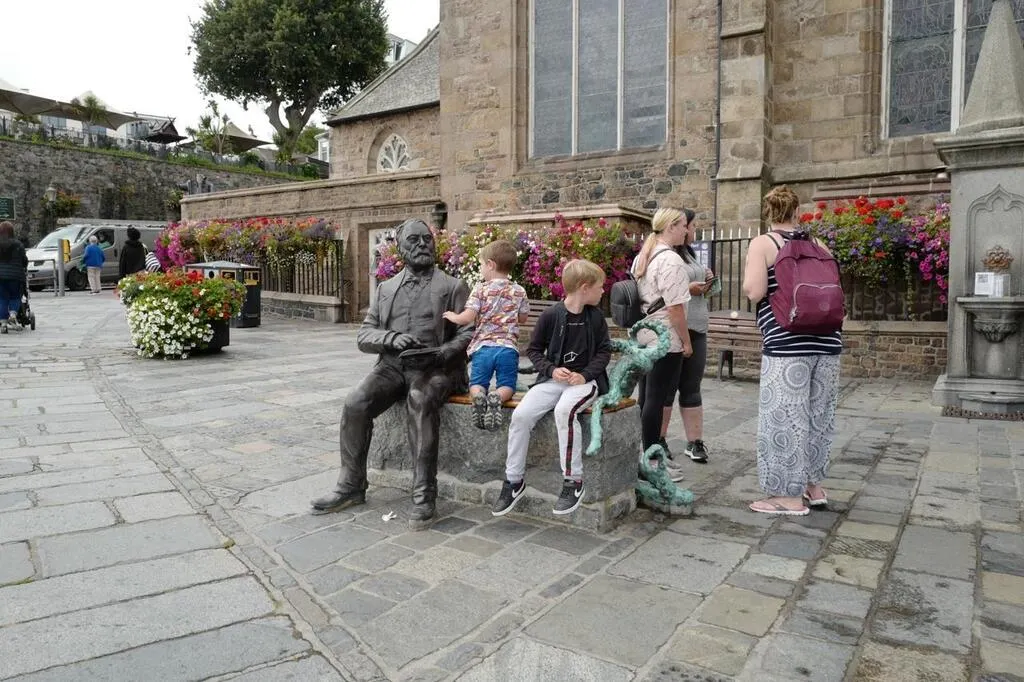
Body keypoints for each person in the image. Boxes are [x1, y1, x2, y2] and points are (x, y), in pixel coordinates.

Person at [311, 219, 474, 524]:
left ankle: (424, 494)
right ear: (399, 248)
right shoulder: (386, 288)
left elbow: (469, 331)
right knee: (355, 402)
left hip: (436, 367)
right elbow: (364, 335)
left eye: (427, 238)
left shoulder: (452, 286)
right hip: (393, 366)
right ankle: (351, 485)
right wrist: (391, 338)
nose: (423, 244)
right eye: (414, 240)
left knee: (420, 398)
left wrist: (444, 352)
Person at [742, 185, 843, 516]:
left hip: (787, 344)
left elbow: (755, 292)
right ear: (797, 212)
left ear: (768, 212)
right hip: (827, 342)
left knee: (785, 418)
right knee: (818, 417)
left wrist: (751, 284)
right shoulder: (818, 244)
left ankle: (787, 497)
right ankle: (813, 487)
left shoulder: (764, 244)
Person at [492, 259, 611, 517]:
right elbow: (534, 350)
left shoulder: (596, 318)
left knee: (564, 411)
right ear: (584, 287)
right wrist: (551, 370)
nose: (603, 291)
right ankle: (514, 480)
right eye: (600, 287)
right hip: (553, 380)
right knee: (521, 415)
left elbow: (604, 352)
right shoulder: (551, 316)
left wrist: (585, 374)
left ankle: (573, 480)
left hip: (586, 383)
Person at [443, 239, 530, 430]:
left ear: (490, 265)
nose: (481, 268)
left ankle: (479, 397)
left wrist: (454, 316)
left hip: (483, 348)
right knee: (507, 384)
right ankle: (497, 397)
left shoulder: (480, 289)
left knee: (477, 383)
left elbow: (469, 316)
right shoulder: (519, 290)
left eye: (481, 264)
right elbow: (523, 318)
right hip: (507, 348)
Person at [633, 208, 693, 471]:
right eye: (682, 226)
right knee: (656, 400)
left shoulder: (644, 255)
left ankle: (643, 453)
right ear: (670, 227)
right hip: (665, 337)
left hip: (644, 333)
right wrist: (687, 342)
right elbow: (676, 308)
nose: (687, 231)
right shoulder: (671, 260)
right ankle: (652, 459)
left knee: (646, 398)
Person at [659, 209, 714, 471]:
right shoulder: (668, 256)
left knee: (692, 386)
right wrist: (689, 289)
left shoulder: (690, 253)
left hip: (698, 325)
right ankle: (659, 440)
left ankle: (694, 442)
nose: (692, 230)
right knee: (667, 389)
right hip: (677, 328)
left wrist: (707, 280)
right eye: (690, 225)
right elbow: (669, 296)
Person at [0, 221, 27, 334]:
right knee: (16, 296)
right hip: (16, 276)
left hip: (0, 276)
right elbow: (24, 260)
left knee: (2, 299)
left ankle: (3, 323)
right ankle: (13, 314)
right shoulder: (18, 244)